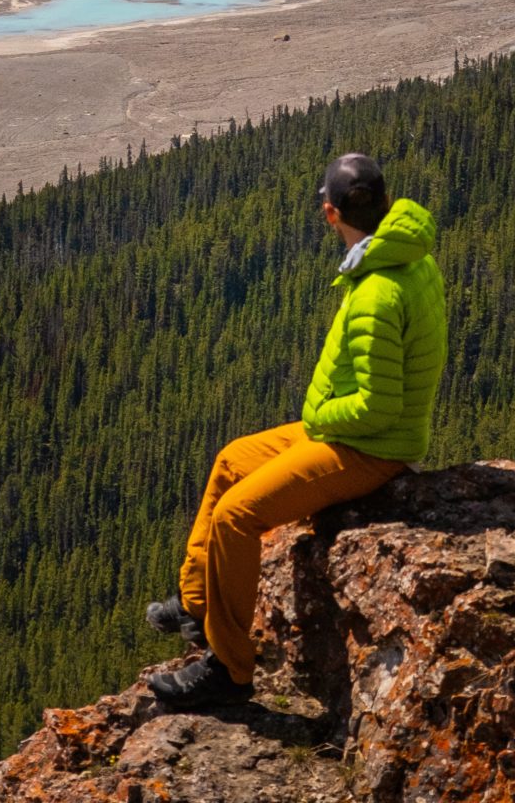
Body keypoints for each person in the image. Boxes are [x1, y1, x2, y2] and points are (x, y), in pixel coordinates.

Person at [144, 151, 448, 711]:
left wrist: (317, 421)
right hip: (357, 433)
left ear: (330, 213)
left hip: (371, 448)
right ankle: (196, 601)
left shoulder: (379, 292)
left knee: (237, 517)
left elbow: (378, 408)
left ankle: (229, 671)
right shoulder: (404, 254)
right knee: (233, 458)